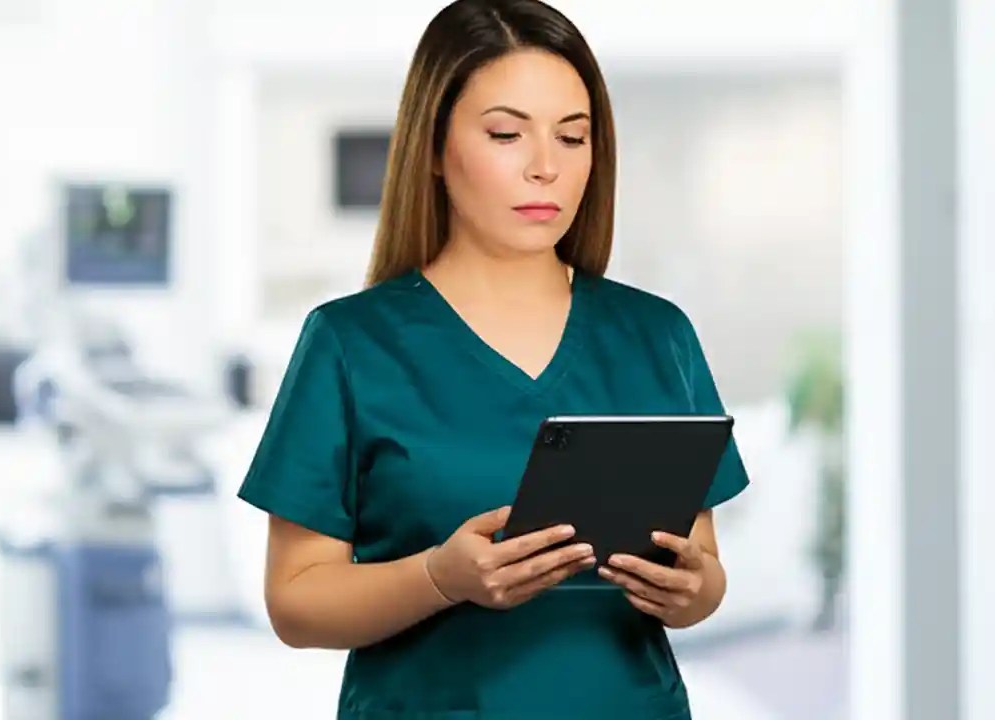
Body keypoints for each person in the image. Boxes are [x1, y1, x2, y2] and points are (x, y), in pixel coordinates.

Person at [236, 1, 750, 717]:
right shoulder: (351, 344)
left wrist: (694, 592)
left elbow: (704, 569)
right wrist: (439, 579)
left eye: (573, 138)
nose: (546, 168)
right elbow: (294, 601)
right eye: (507, 134)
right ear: (435, 150)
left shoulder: (655, 334)